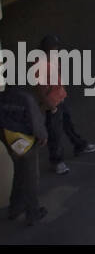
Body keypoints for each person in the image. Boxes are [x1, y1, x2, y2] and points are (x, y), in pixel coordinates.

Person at [33, 34, 95, 176]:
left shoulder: (54, 60)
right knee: (54, 134)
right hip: (53, 104)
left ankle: (80, 145)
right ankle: (57, 162)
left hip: (61, 99)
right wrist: (51, 106)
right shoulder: (41, 67)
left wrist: (62, 93)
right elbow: (41, 90)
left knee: (69, 125)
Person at [1, 85, 47, 225]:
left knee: (19, 173)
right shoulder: (26, 98)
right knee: (31, 178)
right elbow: (35, 122)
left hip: (10, 142)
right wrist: (42, 136)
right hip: (27, 142)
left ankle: (15, 208)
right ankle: (33, 213)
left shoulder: (1, 98)